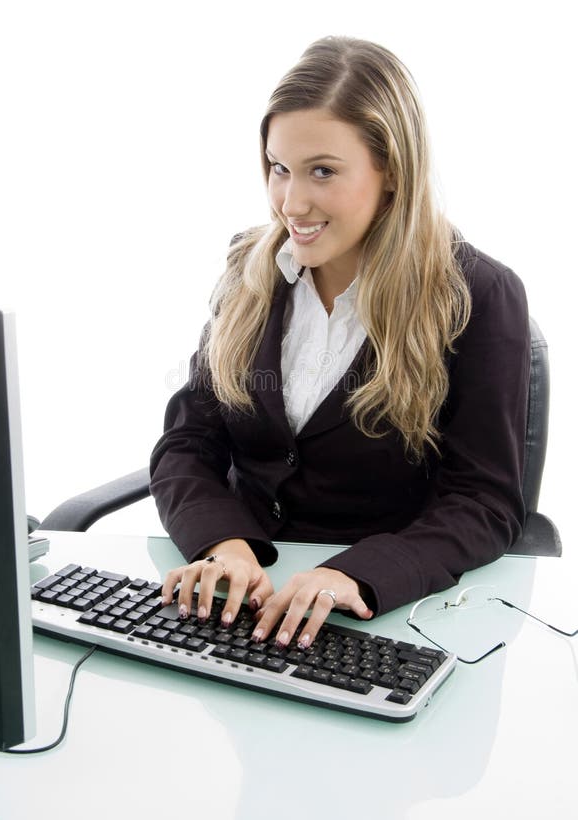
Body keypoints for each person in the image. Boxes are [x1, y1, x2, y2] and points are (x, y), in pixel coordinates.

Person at [150, 36, 530, 654]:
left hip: (376, 619)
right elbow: (189, 441)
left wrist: (352, 574)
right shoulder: (252, 269)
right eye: (279, 168)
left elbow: (483, 500)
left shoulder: (477, 295)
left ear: (391, 174)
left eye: (323, 171)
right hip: (239, 606)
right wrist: (225, 543)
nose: (291, 203)